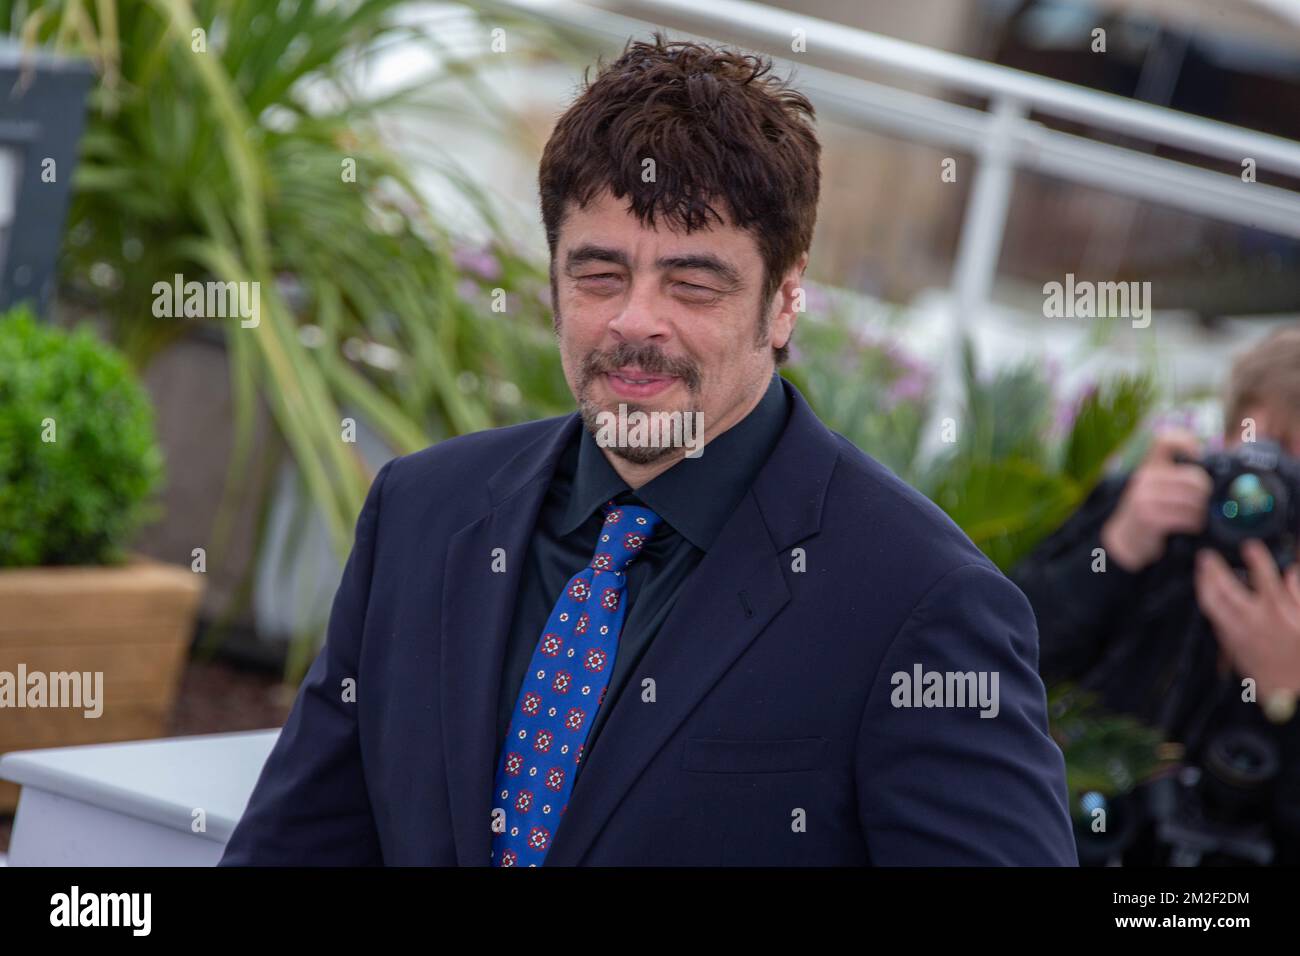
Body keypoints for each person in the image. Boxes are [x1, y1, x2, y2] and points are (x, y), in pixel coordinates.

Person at [219, 32, 1075, 867]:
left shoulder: (921, 606)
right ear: (552, 280)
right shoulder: (419, 513)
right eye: (599, 276)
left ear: (783, 302)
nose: (634, 321)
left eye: (692, 283)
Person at [1010, 325, 1300, 865]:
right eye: (1266, 453)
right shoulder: (1148, 515)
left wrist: (1287, 693)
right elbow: (998, 655)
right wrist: (1116, 550)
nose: (1270, 494)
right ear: (1225, 442)